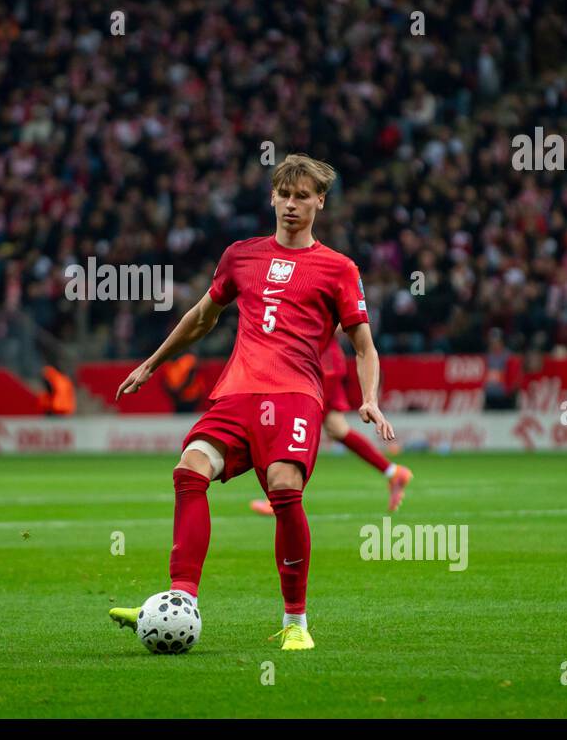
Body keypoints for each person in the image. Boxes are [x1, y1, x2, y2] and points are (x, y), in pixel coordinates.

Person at [107, 154, 396, 651]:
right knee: (190, 469)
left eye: (302, 196)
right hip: (237, 391)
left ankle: (296, 624)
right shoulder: (240, 255)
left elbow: (363, 346)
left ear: (319, 202)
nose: (291, 204)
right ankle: (180, 601)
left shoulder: (339, 269)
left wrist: (369, 397)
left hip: (296, 397)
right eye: (284, 194)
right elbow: (201, 318)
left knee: (284, 488)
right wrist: (150, 364)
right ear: (271, 197)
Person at [248, 335, 411, 516]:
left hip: (321, 363)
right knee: (336, 428)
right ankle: (393, 472)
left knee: (301, 420)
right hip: (318, 358)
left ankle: (279, 495)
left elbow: (340, 321)